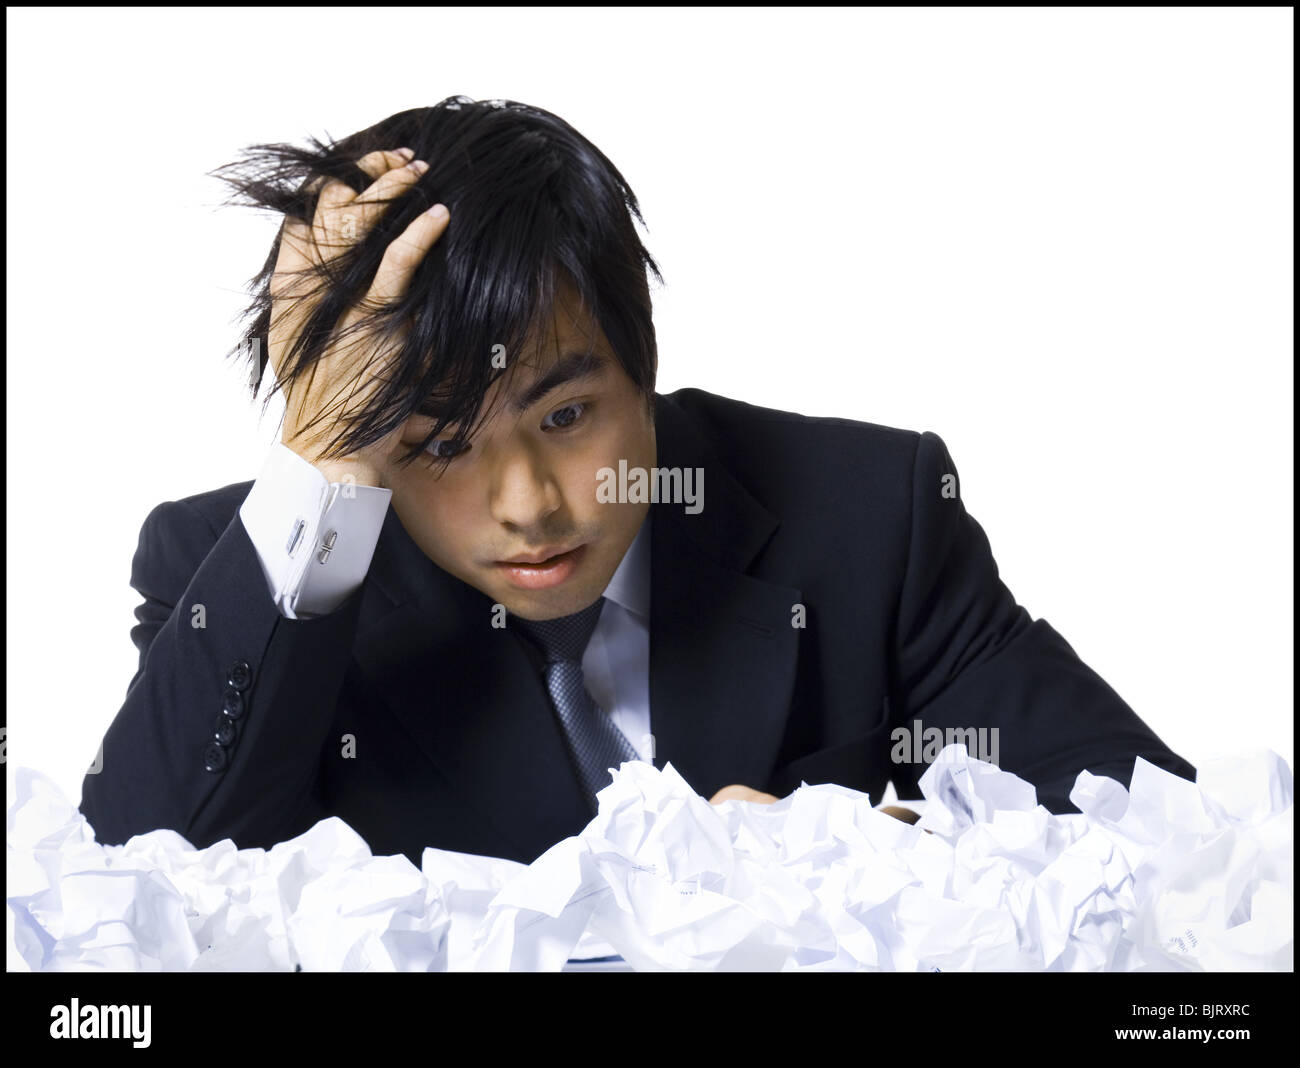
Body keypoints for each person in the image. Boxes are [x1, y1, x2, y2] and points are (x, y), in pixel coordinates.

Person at [79, 96, 1195, 867]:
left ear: (641, 362)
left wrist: (873, 848)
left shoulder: (866, 512)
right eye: (435, 442)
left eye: (566, 416)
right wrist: (324, 462)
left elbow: (1156, 833)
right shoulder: (248, 570)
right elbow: (136, 894)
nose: (527, 503)